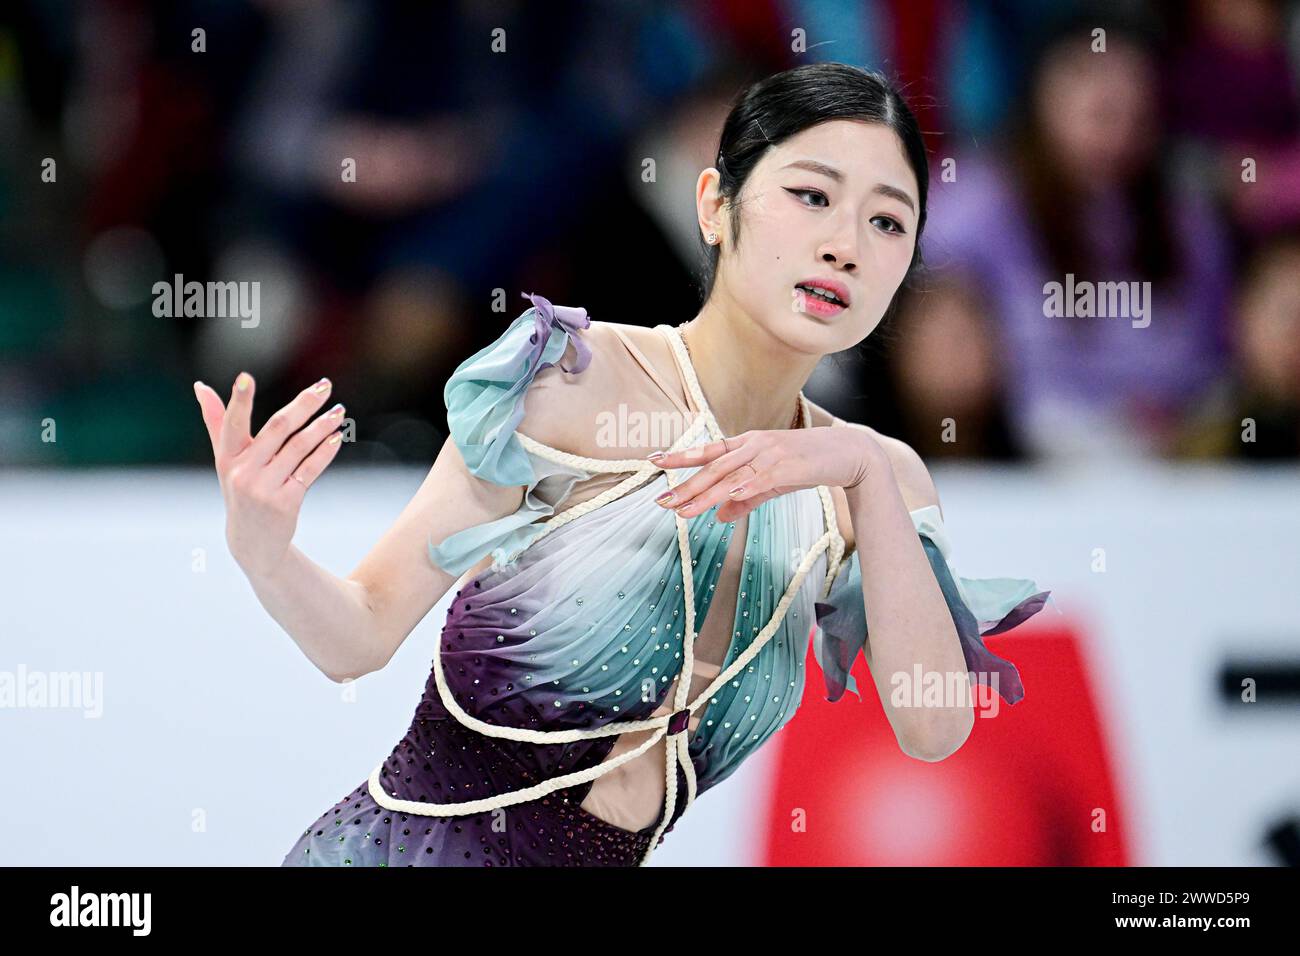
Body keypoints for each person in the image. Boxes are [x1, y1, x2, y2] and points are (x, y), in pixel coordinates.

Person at [193, 63, 1050, 867]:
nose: (845, 244)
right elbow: (360, 634)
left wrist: (861, 465)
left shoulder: (876, 478)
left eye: (888, 221)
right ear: (715, 206)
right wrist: (265, 552)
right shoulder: (572, 380)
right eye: (811, 196)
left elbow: (933, 725)